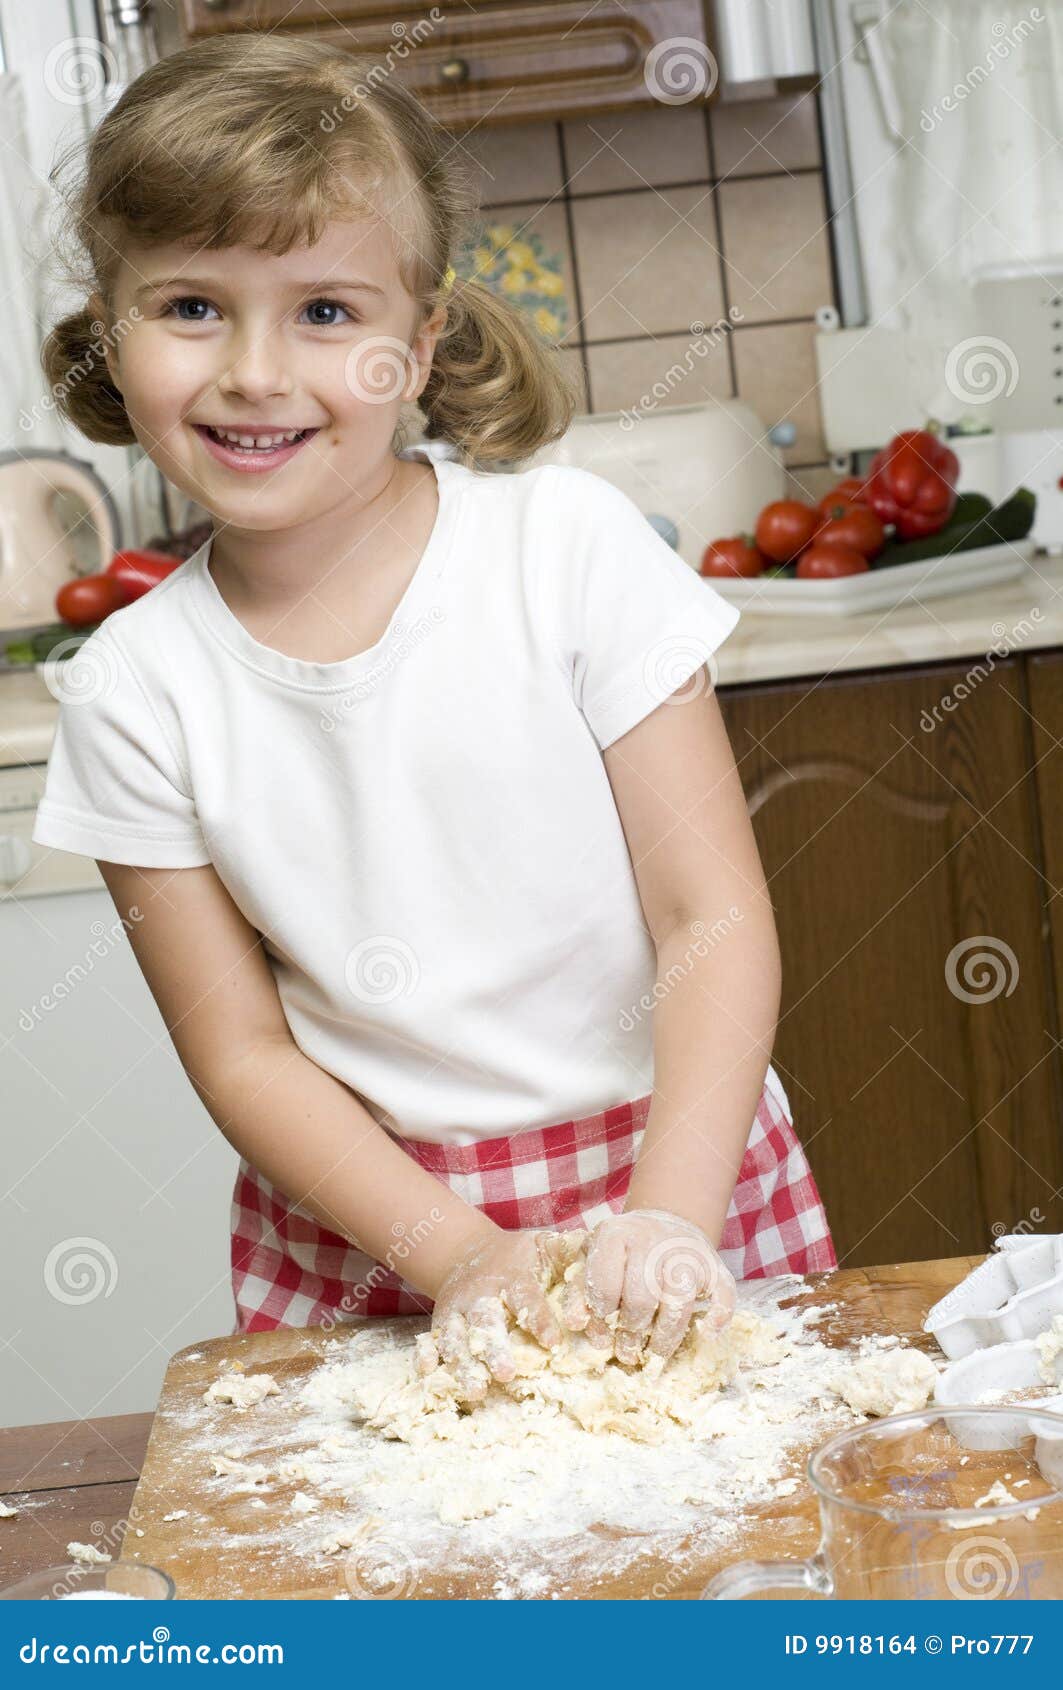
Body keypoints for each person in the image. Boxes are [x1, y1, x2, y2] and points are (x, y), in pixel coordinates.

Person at [32, 33, 835, 1400]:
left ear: (419, 347)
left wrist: (668, 1216)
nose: (255, 372)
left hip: (678, 1178)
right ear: (112, 333)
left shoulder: (566, 549)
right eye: (192, 306)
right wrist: (459, 1252)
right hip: (375, 1241)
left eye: (325, 311)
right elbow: (242, 1052)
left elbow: (710, 912)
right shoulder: (130, 691)